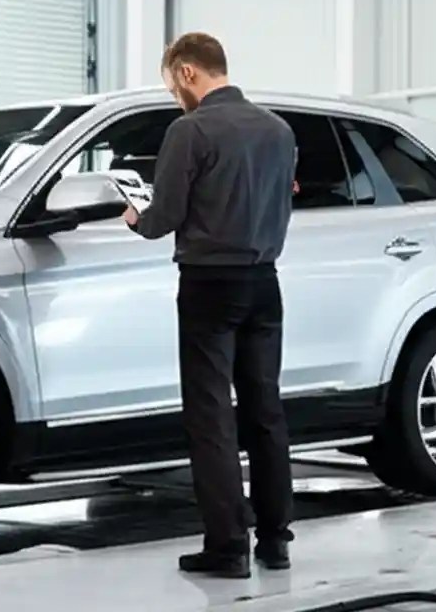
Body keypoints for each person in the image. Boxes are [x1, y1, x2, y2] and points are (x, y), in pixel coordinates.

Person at [122, 32, 297, 579]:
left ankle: (227, 547)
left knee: (212, 417)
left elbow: (166, 215)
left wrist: (136, 218)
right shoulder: (278, 129)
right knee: (265, 411)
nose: (174, 92)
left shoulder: (189, 130)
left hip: (208, 286)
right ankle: (274, 540)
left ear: (187, 72)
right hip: (265, 283)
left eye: (172, 81)